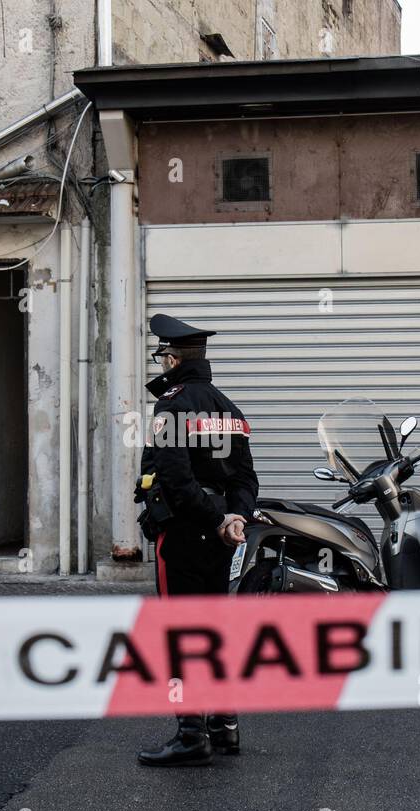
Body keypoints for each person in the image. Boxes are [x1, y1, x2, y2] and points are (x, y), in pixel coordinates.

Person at [136, 313, 258, 768]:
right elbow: (245, 478)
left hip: (186, 531)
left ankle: (190, 735)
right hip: (221, 537)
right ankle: (224, 726)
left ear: (171, 359)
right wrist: (235, 519)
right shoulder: (230, 409)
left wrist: (214, 517)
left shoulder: (171, 407)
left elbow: (175, 478)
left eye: (162, 357)